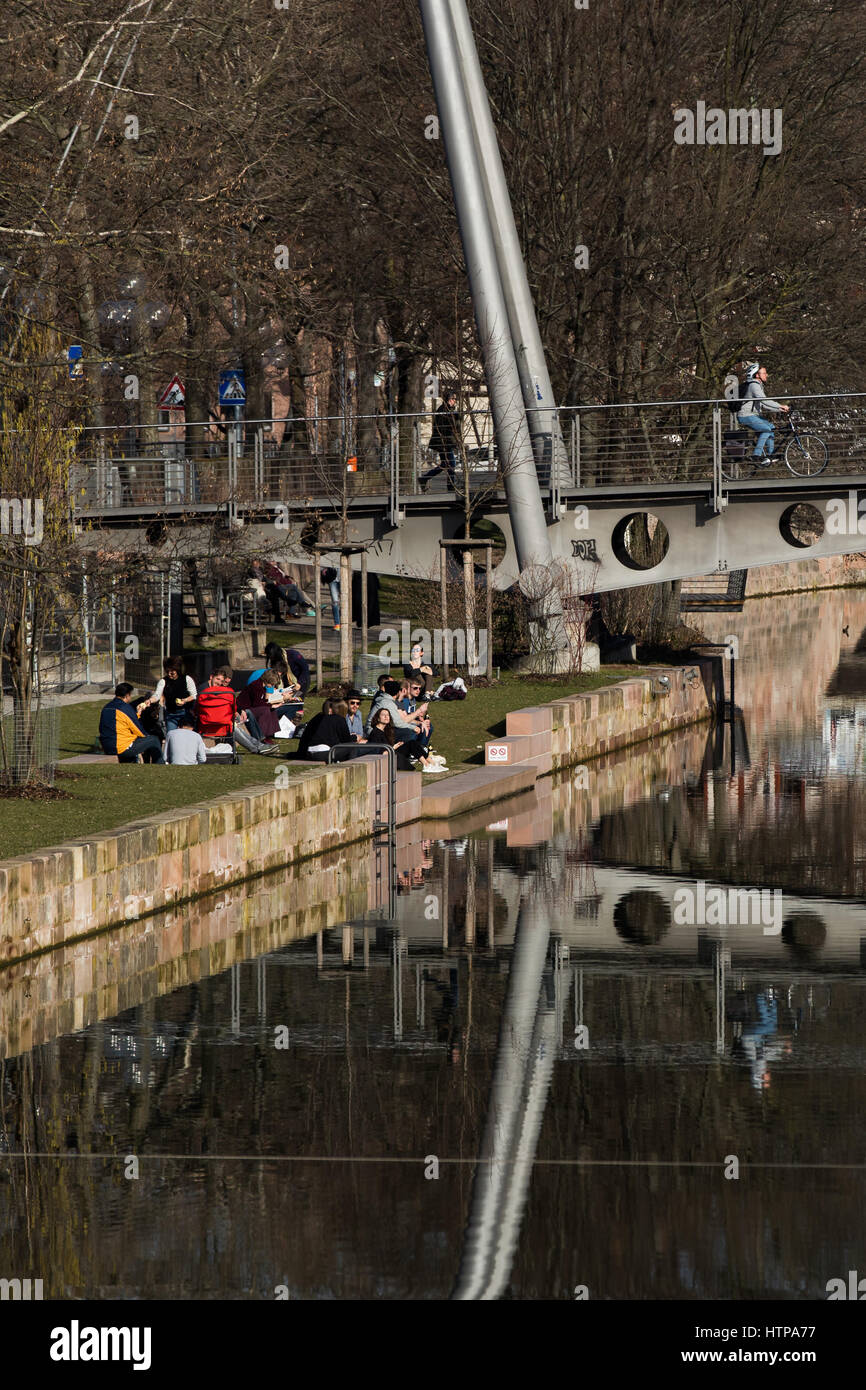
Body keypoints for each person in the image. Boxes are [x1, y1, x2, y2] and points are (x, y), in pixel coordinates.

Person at [196, 666, 279, 755]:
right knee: (233, 728)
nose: (219, 683)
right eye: (217, 679)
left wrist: (236, 712)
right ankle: (256, 748)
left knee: (235, 725)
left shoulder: (216, 690)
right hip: (210, 723)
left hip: (218, 721)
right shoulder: (204, 691)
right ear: (211, 677)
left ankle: (259, 745)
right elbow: (199, 710)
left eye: (221, 681)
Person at [99, 683, 165, 763]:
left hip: (107, 746)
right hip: (121, 747)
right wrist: (147, 737)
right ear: (127, 695)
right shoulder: (125, 708)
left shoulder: (106, 707)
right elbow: (139, 731)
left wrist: (137, 714)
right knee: (153, 740)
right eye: (130, 695)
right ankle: (160, 765)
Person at [737, 363, 789, 459]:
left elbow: (763, 404)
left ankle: (770, 455)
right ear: (757, 375)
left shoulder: (758, 385)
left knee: (771, 427)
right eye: (764, 373)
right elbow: (764, 400)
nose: (767, 375)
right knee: (766, 429)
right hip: (746, 415)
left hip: (754, 415)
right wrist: (780, 405)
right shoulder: (754, 385)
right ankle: (756, 455)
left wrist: (779, 409)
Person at [144, 655, 197, 733]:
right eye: (167, 671)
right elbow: (157, 695)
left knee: (186, 735)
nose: (169, 674)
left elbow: (194, 695)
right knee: (171, 735)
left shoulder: (187, 679)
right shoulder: (163, 681)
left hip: (185, 713)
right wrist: (150, 700)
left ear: (177, 670)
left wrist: (185, 700)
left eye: (172, 672)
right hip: (171, 714)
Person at [421, 388, 461, 490]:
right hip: (444, 443)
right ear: (448, 399)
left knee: (445, 464)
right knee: (451, 463)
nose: (454, 401)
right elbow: (447, 428)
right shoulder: (444, 411)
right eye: (453, 399)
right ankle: (450, 486)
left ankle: (424, 478)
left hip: (444, 442)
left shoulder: (447, 410)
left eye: (455, 399)